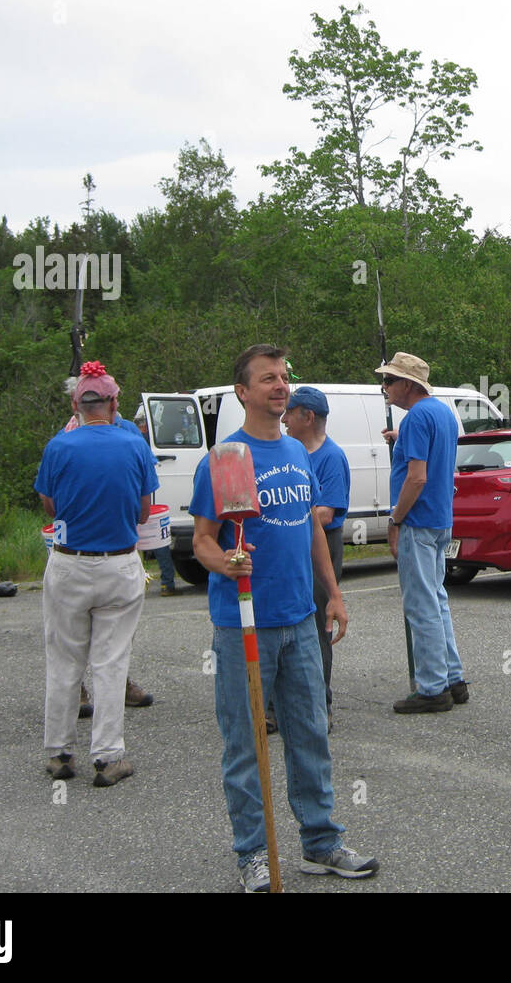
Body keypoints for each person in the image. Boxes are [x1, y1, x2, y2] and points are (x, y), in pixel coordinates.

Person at [191, 344, 378, 892]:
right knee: (246, 743)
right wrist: (225, 563)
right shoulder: (225, 460)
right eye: (266, 379)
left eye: (283, 378)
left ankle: (320, 843)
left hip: (300, 619)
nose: (279, 386)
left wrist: (334, 594)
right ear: (242, 393)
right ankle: (253, 853)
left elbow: (313, 528)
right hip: (243, 624)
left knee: (311, 734)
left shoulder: (298, 452)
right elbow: (203, 539)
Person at [34, 360, 158, 787]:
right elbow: (144, 510)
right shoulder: (135, 445)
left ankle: (59, 754)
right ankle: (107, 757)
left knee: (64, 659)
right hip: (119, 562)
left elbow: (50, 506)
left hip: (69, 562)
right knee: (111, 662)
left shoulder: (58, 447)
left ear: (76, 404)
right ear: (114, 402)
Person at [377, 351, 469, 714]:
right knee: (437, 598)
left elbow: (417, 477)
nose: (384, 387)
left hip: (417, 520)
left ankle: (431, 687)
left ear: (407, 385)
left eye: (389, 380)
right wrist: (402, 437)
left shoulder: (417, 418)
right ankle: (452, 677)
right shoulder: (442, 413)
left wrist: (396, 519)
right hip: (441, 518)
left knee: (421, 605)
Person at [281, 387, 350, 729]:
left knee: (318, 626)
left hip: (322, 544)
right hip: (296, 543)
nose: (283, 419)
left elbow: (325, 512)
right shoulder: (293, 453)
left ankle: (322, 705)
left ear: (307, 417)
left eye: (289, 413)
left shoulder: (331, 456)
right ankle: (282, 704)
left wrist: (285, 514)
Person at [134, 403, 181, 597]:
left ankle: (137, 584)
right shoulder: (135, 437)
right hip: (143, 494)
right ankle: (166, 583)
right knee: (156, 535)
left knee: (133, 540)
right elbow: (152, 464)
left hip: (124, 497)